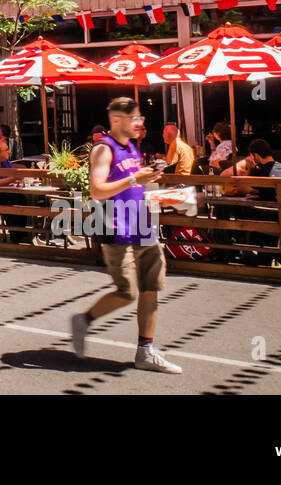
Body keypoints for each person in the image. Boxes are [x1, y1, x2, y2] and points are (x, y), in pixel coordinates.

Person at [71, 96, 181, 374]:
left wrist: (148, 179)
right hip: (116, 228)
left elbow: (134, 183)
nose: (139, 123)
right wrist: (135, 179)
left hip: (142, 225)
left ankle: (145, 351)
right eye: (134, 119)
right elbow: (97, 190)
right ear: (117, 121)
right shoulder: (103, 149)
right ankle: (84, 320)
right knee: (128, 292)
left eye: (140, 118)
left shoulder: (132, 147)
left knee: (151, 287)